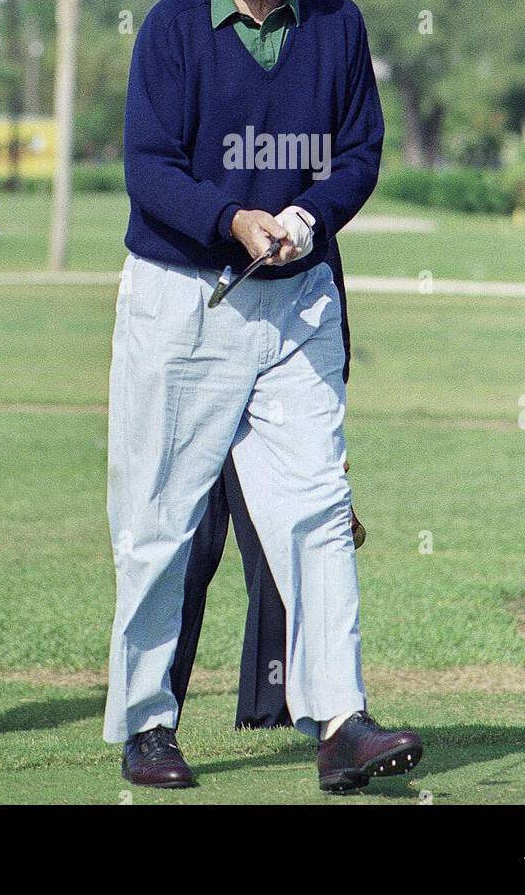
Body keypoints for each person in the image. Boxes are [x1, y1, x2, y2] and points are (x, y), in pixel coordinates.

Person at [104, 0, 424, 793]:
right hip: (185, 299)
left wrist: (308, 216)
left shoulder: (337, 25)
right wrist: (230, 218)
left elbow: (360, 152)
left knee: (318, 510)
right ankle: (149, 725)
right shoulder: (170, 27)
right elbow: (149, 167)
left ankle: (339, 720)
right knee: (158, 520)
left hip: (297, 302)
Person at [173, 237, 355, 730]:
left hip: (277, 409)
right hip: (203, 395)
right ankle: (154, 719)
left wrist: (327, 444)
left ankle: (266, 714)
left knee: (279, 555)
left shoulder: (309, 224)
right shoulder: (208, 216)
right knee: (184, 561)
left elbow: (331, 327)